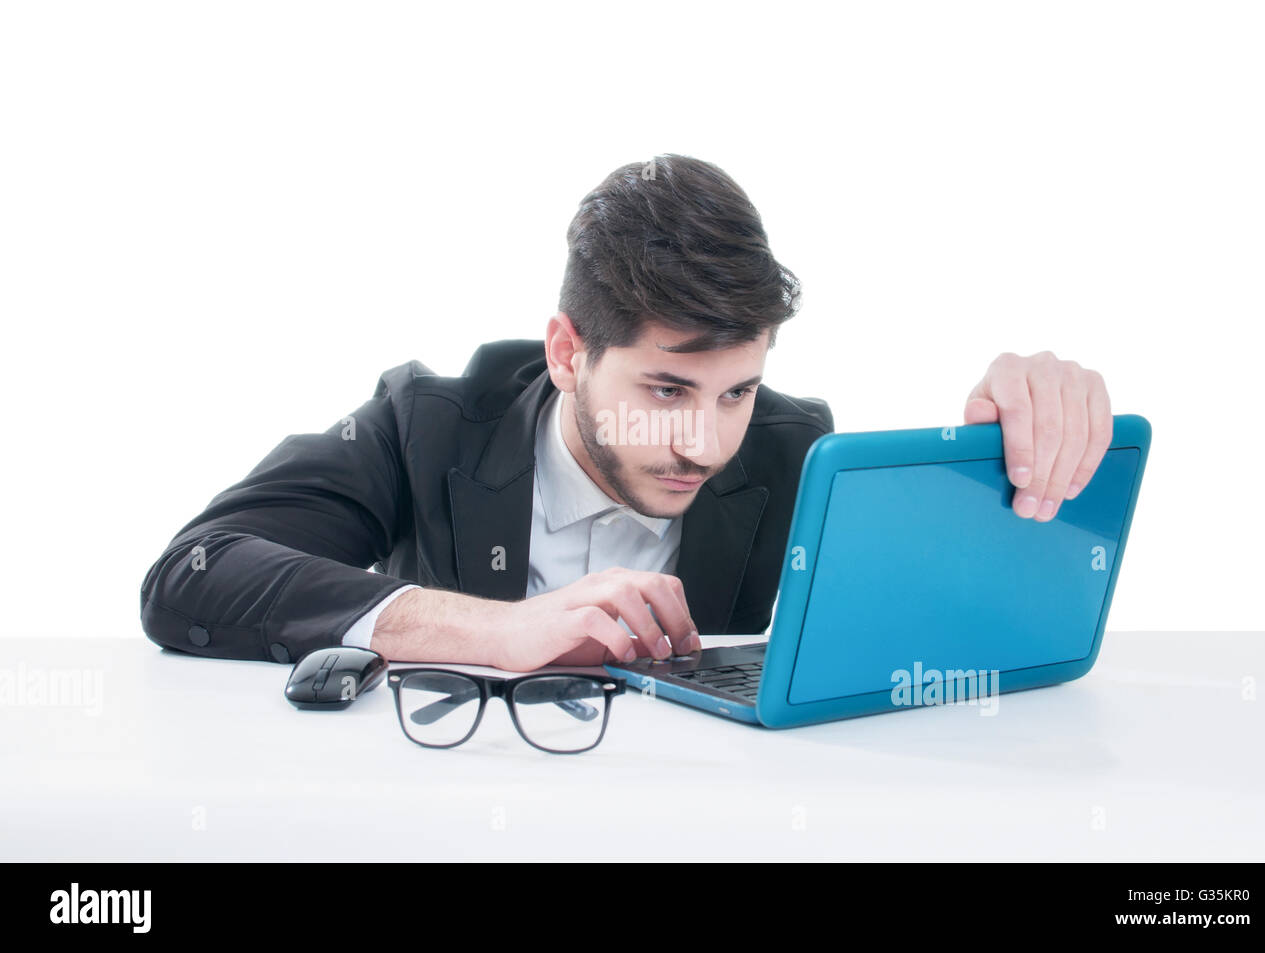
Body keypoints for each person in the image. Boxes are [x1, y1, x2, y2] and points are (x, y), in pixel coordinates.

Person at [139, 154, 1113, 671]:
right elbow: (194, 572)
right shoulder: (427, 421)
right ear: (568, 352)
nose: (705, 439)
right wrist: (489, 629)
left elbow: (922, 636)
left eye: (735, 389)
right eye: (665, 389)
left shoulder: (788, 449)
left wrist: (995, 461)